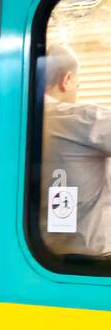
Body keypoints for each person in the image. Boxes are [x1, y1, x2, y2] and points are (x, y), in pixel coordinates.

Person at [40, 45, 111, 256]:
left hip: (42, 255)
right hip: (92, 260)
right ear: (66, 79)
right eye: (77, 84)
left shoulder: (12, 124)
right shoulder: (85, 118)